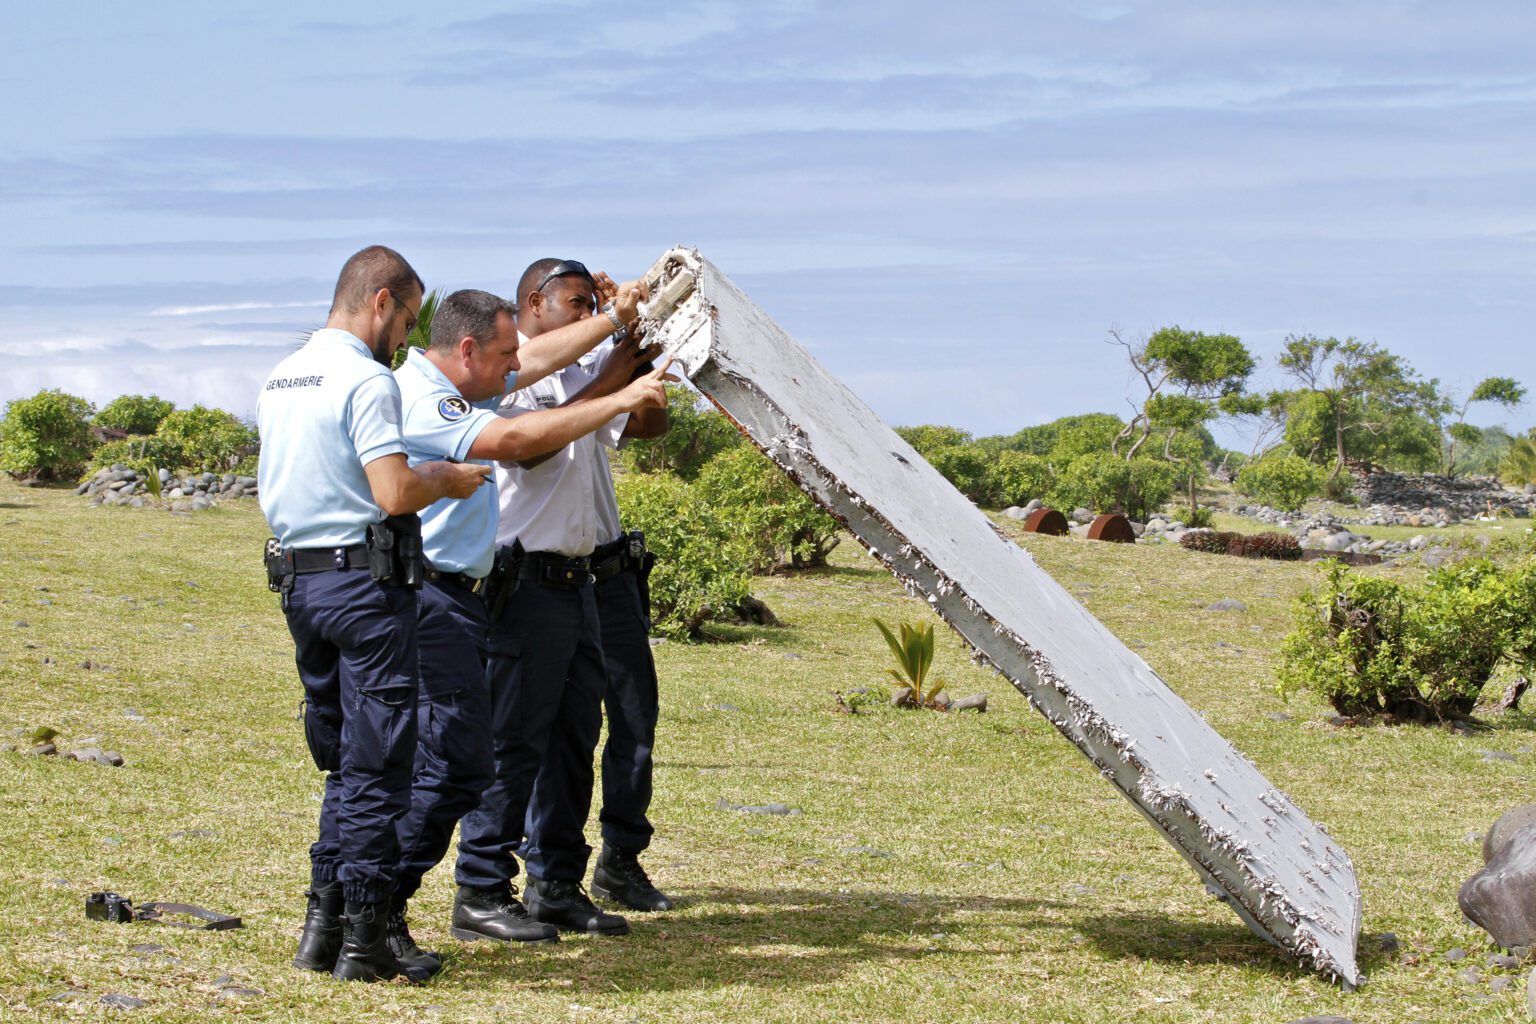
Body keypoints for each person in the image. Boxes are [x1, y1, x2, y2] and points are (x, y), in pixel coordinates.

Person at [388, 284, 669, 967]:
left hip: (582, 583)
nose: (583, 317)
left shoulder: (506, 370)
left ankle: (555, 882)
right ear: (532, 306)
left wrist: (622, 342)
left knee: (577, 736)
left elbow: (564, 379)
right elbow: (524, 445)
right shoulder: (463, 388)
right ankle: (482, 887)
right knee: (509, 745)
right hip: (516, 585)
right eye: (574, 304)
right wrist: (619, 380)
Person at [256, 245, 490, 983]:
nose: (405, 341)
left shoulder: (282, 374)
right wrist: (446, 480)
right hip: (365, 586)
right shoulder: (365, 379)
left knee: (342, 761)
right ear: (381, 300)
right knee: (379, 767)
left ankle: (321, 928)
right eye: (407, 320)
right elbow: (391, 492)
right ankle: (366, 939)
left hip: (301, 583)